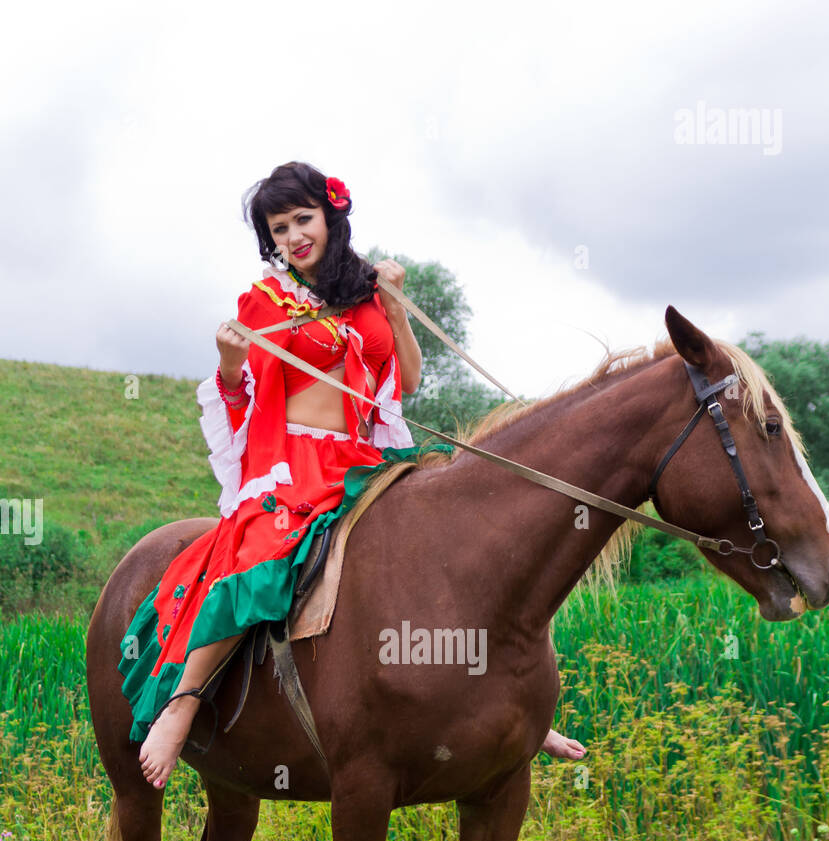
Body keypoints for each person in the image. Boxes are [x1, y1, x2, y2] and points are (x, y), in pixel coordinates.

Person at [120, 160, 585, 786]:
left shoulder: (369, 292)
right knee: (262, 550)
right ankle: (184, 701)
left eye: (302, 219)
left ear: (331, 216)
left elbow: (408, 381)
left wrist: (394, 308)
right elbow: (242, 394)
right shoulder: (264, 302)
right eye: (278, 228)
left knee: (455, 539)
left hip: (365, 459)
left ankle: (501, 699)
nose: (292, 237)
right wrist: (229, 362)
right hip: (296, 464)